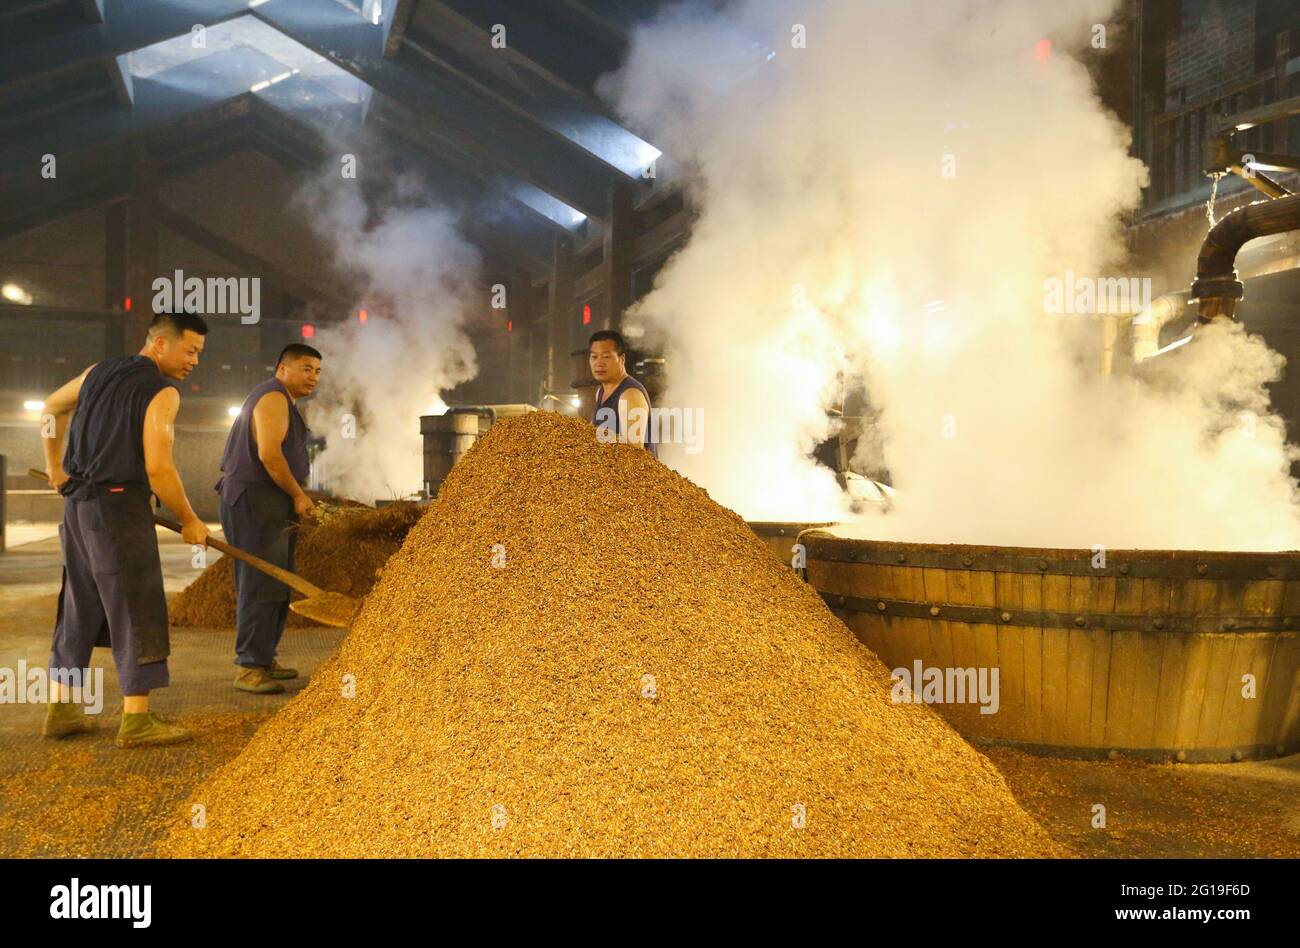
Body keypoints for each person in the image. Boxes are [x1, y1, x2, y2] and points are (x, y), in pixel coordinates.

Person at [39, 311, 210, 748]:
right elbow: (158, 467)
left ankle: (61, 709)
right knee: (136, 602)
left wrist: (53, 465)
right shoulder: (163, 391)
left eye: (199, 353)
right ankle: (136, 719)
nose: (194, 361)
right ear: (158, 344)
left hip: (77, 506)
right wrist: (190, 519)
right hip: (119, 508)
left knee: (79, 602)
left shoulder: (97, 373)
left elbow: (50, 408)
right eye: (190, 350)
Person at [216, 343, 321, 694]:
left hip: (271, 502)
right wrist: (297, 495)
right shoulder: (274, 397)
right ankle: (249, 666)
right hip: (256, 501)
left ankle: (263, 657)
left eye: (317, 371)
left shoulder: (283, 401)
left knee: (277, 580)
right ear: (282, 369)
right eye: (306, 368)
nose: (313, 377)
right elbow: (270, 456)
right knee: (262, 580)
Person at [588, 330, 657, 458]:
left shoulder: (630, 395)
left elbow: (634, 452)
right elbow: (591, 432)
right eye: (594, 357)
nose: (599, 363)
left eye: (606, 357)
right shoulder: (601, 392)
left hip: (636, 476)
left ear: (622, 359)